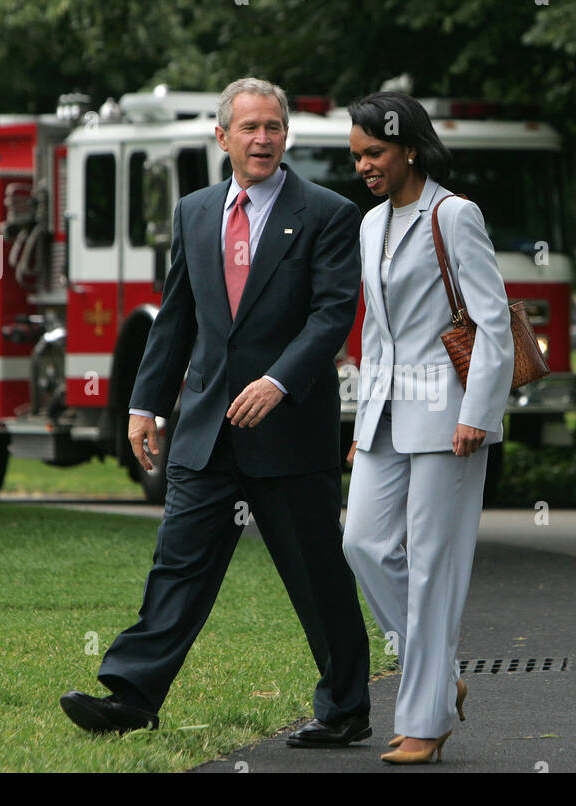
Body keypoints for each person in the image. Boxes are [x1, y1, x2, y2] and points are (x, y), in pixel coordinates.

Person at [60, 78, 373, 748]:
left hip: (289, 435)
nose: (263, 139)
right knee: (177, 566)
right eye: (251, 127)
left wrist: (279, 382)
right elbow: (176, 322)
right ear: (222, 136)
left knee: (318, 578)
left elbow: (331, 317)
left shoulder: (328, 213)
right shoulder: (195, 213)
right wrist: (145, 404)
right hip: (204, 435)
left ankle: (346, 706)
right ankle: (131, 695)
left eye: (274, 128)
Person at [341, 92, 514, 764]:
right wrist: (362, 423)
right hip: (385, 417)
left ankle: (426, 721)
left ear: (409, 147)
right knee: (361, 544)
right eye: (356, 157)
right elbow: (376, 336)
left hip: (450, 421)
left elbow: (492, 321)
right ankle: (441, 683)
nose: (364, 167)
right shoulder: (369, 225)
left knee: (434, 570)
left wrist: (477, 412)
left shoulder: (455, 215)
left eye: (374, 153)